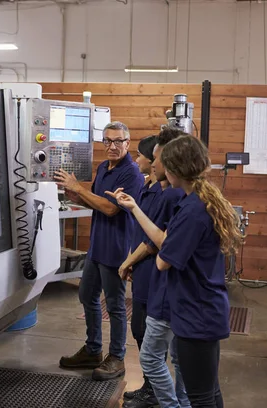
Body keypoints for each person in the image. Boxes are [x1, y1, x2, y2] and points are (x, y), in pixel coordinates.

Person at [110, 135, 242, 408]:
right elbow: (165, 241)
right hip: (198, 309)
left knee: (201, 396)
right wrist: (135, 209)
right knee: (208, 391)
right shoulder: (194, 202)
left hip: (197, 313)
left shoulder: (192, 211)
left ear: (174, 170)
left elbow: (163, 259)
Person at [54, 121, 143, 381]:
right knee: (87, 295)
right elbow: (95, 200)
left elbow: (111, 208)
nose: (112, 146)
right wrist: (73, 193)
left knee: (115, 305)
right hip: (96, 246)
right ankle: (93, 350)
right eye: (107, 141)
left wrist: (80, 189)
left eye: (118, 141)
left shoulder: (132, 174)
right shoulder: (104, 167)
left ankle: (117, 357)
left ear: (128, 143)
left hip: (116, 248)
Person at [114, 128, 190, 408]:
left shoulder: (177, 200)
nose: (150, 163)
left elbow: (159, 244)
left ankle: (161, 396)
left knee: (155, 351)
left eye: (154, 158)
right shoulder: (159, 191)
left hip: (162, 282)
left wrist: (129, 260)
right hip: (152, 276)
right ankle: (165, 396)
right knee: (175, 356)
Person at [117, 135, 160, 402]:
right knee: (139, 330)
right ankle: (149, 385)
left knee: (148, 334)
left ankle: (154, 390)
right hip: (142, 272)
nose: (136, 160)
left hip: (152, 273)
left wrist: (127, 261)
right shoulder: (146, 188)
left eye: (140, 155)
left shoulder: (163, 195)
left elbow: (154, 241)